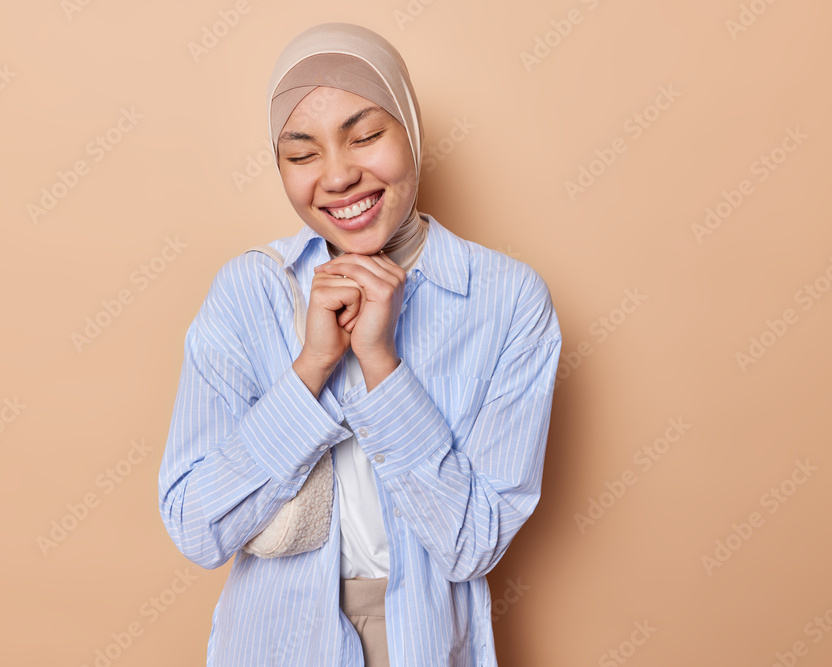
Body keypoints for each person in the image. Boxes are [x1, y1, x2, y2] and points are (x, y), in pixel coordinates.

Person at [158, 22, 562, 666]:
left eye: (366, 135)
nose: (339, 175)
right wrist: (312, 367)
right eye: (301, 153)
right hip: (273, 642)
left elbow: (472, 545)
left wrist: (380, 362)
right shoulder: (249, 292)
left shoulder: (507, 301)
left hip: (427, 642)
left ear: (412, 128)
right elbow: (195, 528)